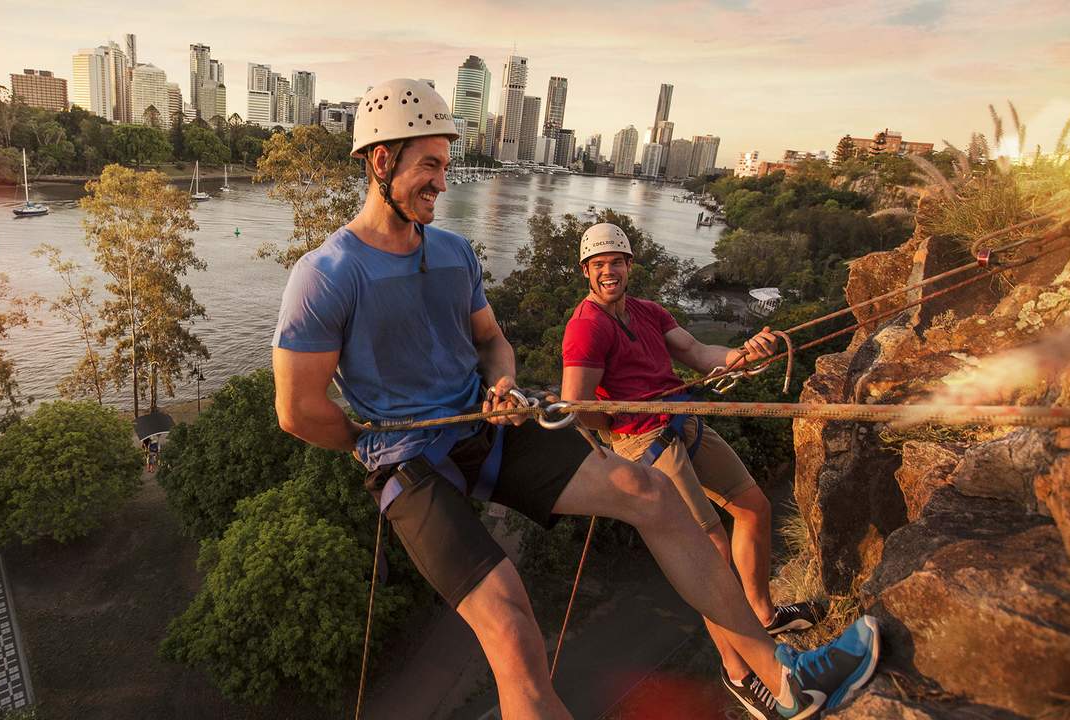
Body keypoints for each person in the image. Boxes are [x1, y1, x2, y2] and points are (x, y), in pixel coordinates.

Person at [272, 78, 878, 719]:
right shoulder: (326, 275)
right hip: (408, 462)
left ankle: (782, 680)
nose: (443, 183)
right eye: (430, 166)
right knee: (513, 635)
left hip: (486, 425)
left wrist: (502, 383)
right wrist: (370, 443)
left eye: (445, 167)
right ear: (381, 160)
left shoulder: (453, 253)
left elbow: (491, 341)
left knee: (651, 493)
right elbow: (297, 410)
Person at [561, 222, 824, 717]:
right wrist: (617, 419)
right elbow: (577, 406)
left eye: (615, 262)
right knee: (710, 551)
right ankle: (738, 672)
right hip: (643, 441)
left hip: (681, 420)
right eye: (598, 265)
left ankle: (763, 613)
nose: (608, 271)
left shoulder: (648, 312)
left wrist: (744, 355)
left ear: (629, 266)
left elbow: (700, 355)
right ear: (586, 273)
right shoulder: (586, 327)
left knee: (753, 507)